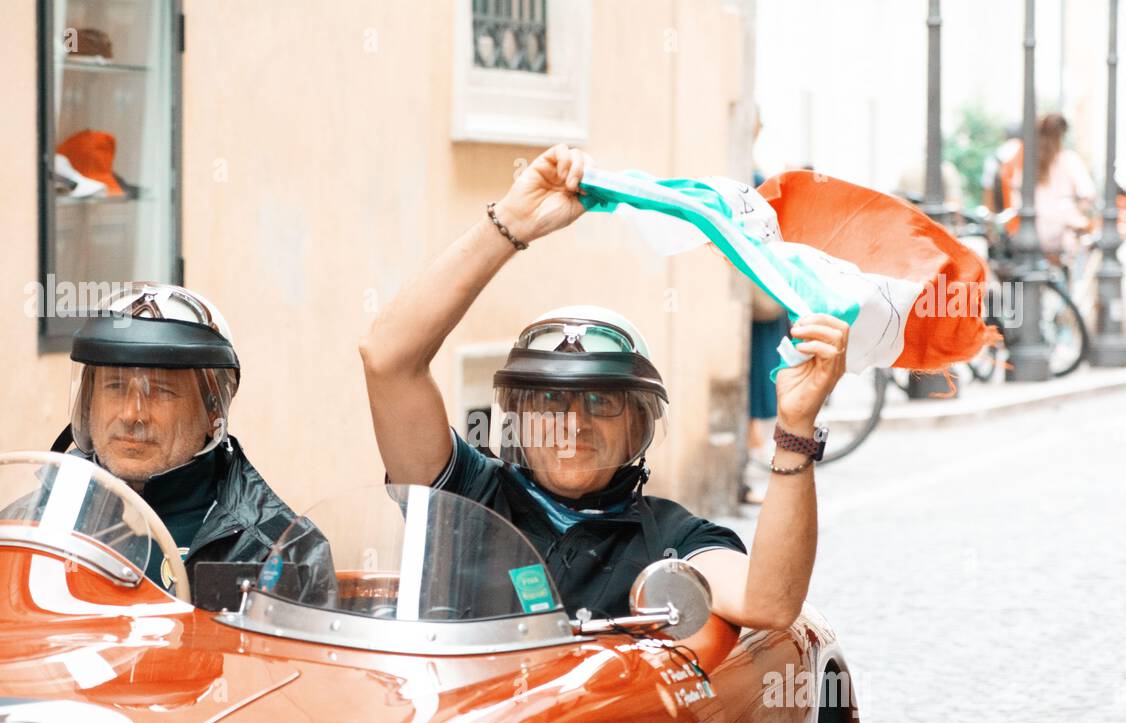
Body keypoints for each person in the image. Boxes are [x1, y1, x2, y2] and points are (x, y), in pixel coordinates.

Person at [360, 145, 848, 628]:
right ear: (519, 417)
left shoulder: (672, 540)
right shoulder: (464, 495)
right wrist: (509, 224)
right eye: (550, 399)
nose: (573, 422)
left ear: (639, 422)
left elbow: (767, 602)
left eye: (601, 402)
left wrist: (795, 428)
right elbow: (387, 360)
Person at [58, 282, 331, 596]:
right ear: (90, 401)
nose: (132, 415)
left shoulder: (277, 552)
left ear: (211, 411)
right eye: (115, 386)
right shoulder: (41, 519)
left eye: (160, 391)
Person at [1002, 113, 1097, 260]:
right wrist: (1075, 211)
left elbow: (1016, 196)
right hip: (1064, 235)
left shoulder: (1027, 161)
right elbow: (1088, 194)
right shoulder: (1069, 159)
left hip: (1032, 233)